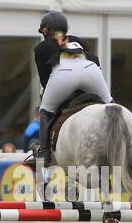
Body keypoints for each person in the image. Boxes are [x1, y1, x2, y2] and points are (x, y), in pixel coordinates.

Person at [24, 11, 111, 167]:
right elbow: (93, 58)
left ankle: (44, 153)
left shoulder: (41, 48)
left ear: (45, 31)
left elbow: (45, 80)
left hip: (63, 74)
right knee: (112, 106)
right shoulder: (77, 40)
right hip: (90, 69)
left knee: (45, 110)